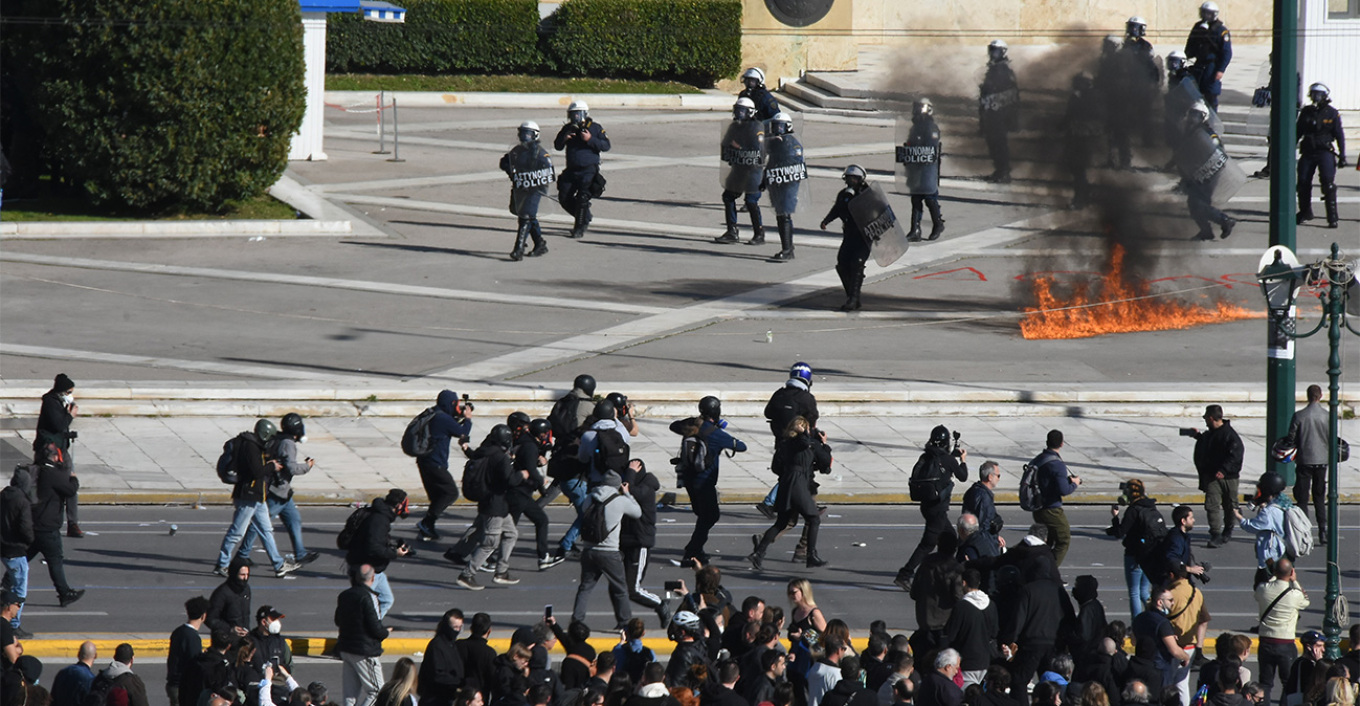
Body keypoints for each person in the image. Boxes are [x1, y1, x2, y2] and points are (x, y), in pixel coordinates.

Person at [212, 419, 299, 579]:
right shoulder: (251, 447)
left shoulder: (251, 444)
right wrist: (272, 466)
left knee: (266, 530)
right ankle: (222, 564)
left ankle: (279, 565)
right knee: (237, 532)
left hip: (257, 495)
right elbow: (256, 472)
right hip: (249, 495)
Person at [670, 397, 747, 566]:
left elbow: (673, 426)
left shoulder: (691, 425)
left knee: (702, 514)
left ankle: (697, 550)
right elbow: (741, 446)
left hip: (688, 479)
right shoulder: (715, 433)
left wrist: (693, 423)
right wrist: (717, 432)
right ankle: (692, 551)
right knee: (711, 516)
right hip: (705, 481)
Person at [749, 416, 831, 571]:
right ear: (804, 429)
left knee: (782, 522)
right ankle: (810, 555)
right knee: (813, 519)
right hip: (799, 483)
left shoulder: (784, 444)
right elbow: (825, 461)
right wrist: (823, 444)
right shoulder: (808, 443)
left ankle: (759, 552)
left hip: (786, 483)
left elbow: (775, 467)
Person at [237, 412, 319, 565]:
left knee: (294, 520)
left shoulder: (279, 438)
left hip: (283, 491)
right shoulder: (288, 444)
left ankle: (300, 553)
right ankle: (242, 554)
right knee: (260, 525)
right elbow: (291, 468)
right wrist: (307, 466)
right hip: (277, 491)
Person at [893, 424, 967, 591]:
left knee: (949, 537)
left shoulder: (926, 456)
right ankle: (905, 574)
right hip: (938, 510)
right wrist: (962, 460)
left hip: (927, 506)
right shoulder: (949, 460)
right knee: (927, 545)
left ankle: (943, 570)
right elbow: (963, 476)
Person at [573, 472, 643, 630]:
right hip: (609, 551)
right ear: (617, 485)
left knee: (585, 587)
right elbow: (637, 512)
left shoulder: (590, 497)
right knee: (620, 589)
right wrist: (627, 494)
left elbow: (584, 512)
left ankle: (577, 620)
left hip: (589, 550)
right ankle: (624, 622)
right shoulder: (620, 501)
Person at [457, 427, 521, 591]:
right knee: (490, 543)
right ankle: (467, 574)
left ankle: (502, 571)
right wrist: (523, 474)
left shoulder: (483, 452)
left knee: (511, 534)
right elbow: (510, 480)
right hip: (495, 506)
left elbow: (473, 456)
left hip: (490, 503)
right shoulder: (501, 458)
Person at [758, 362, 819, 525]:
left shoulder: (779, 394)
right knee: (793, 473)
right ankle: (770, 502)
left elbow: (768, 412)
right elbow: (813, 420)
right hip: (798, 444)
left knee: (790, 473)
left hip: (780, 440)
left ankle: (808, 504)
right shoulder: (806, 398)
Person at [29, 441, 86, 606]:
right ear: (54, 457)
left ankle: (6, 584)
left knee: (23, 557)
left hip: (35, 522)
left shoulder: (37, 470)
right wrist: (73, 479)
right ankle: (64, 592)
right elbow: (69, 490)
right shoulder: (52, 473)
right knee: (55, 560)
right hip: (48, 525)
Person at [415, 390, 474, 542]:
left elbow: (450, 425)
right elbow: (462, 432)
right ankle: (426, 523)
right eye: (456, 404)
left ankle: (427, 528)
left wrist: (459, 416)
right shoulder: (443, 419)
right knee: (450, 493)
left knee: (437, 496)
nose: (458, 407)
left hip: (424, 461)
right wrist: (467, 419)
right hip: (435, 464)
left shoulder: (436, 414)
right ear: (450, 404)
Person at [1173, 102, 1237, 241]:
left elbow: (1217, 150)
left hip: (1209, 172)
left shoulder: (1207, 133)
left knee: (1198, 204)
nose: (1192, 118)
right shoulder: (1191, 132)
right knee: (1195, 204)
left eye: (1197, 115)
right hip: (1197, 174)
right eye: (1192, 114)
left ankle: (1224, 220)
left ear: (1204, 117)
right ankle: (1207, 231)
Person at [618, 458, 671, 627]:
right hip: (627, 541)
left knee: (633, 589)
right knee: (622, 587)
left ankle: (660, 604)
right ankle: (623, 621)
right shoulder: (635, 486)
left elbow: (634, 493)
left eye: (631, 472)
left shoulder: (647, 487)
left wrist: (631, 473)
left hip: (639, 542)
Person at [1106, 478, 1167, 618]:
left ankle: (1137, 623)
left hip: (1134, 554)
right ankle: (1157, 615)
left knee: (1134, 591)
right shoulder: (1150, 506)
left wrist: (1115, 517)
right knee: (1145, 591)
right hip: (1149, 554)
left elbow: (1120, 532)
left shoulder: (1133, 510)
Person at [346, 489, 413, 616]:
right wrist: (395, 553)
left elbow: (375, 540)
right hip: (366, 570)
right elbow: (373, 548)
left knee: (386, 600)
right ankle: (367, 631)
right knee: (367, 607)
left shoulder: (381, 515)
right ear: (398, 505)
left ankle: (371, 628)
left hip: (376, 569)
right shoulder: (380, 520)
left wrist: (393, 547)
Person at [1185, 405, 1243, 547]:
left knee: (1230, 505)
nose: (1205, 420)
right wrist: (1198, 436)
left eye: (1205, 417)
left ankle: (1228, 529)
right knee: (1212, 505)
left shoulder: (1230, 435)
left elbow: (1236, 455)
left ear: (1211, 418)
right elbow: (1207, 445)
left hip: (1228, 478)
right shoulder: (1210, 434)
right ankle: (1215, 533)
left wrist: (1224, 470)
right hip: (1212, 476)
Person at [1253, 559, 1309, 705]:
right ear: (1291, 572)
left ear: (1275, 572)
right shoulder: (1294, 594)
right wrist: (1295, 581)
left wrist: (1273, 575)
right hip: (1285, 642)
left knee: (1265, 683)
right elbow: (1305, 601)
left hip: (1265, 641)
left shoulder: (1263, 589)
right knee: (1287, 683)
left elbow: (1259, 592)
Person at [33, 373, 81, 538]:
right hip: (50, 451)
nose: (70, 395)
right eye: (68, 392)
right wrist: (70, 415)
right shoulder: (50, 402)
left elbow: (60, 429)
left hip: (61, 449)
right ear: (61, 391)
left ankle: (73, 522)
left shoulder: (59, 403)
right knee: (46, 485)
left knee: (70, 483)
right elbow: (58, 424)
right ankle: (38, 518)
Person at [554, 101, 610, 240]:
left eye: (578, 114)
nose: (575, 118)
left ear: (584, 114)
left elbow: (606, 145)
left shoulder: (595, 128)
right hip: (571, 169)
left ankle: (579, 227)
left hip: (588, 170)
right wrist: (565, 138)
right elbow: (557, 146)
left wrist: (590, 139)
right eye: (573, 115)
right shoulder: (568, 128)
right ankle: (585, 216)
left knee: (582, 198)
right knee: (564, 198)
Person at [337, 564, 391, 706]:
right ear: (373, 578)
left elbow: (338, 620)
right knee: (377, 691)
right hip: (365, 651)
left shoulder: (344, 596)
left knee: (350, 695)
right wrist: (385, 632)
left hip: (346, 649)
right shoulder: (369, 597)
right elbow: (375, 627)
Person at [820, 165, 872, 312]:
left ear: (861, 180)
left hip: (864, 237)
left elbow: (878, 212)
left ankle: (853, 299)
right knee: (842, 264)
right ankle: (853, 297)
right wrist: (827, 220)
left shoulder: (868, 195)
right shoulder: (843, 195)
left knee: (857, 263)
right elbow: (837, 209)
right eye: (849, 178)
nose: (851, 182)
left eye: (854, 179)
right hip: (849, 235)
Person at [716, 97, 767, 246]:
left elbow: (760, 151)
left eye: (742, 111)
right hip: (738, 168)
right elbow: (726, 144)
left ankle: (759, 233)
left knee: (751, 202)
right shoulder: (734, 127)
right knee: (728, 197)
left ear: (750, 112)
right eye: (737, 110)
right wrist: (731, 149)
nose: (739, 113)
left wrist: (740, 149)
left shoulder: (757, 128)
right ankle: (732, 231)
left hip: (753, 170)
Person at [507, 415, 555, 571]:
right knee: (509, 528)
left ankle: (543, 557)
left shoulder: (528, 443)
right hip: (520, 491)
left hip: (522, 492)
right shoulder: (530, 446)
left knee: (538, 521)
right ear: (541, 433)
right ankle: (493, 559)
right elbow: (529, 468)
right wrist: (541, 480)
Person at [1296, 84, 1346, 228]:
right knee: (1303, 182)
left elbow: (1339, 134)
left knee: (1328, 184)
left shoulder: (1331, 113)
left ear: (1325, 96)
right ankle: (1305, 212)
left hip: (1324, 150)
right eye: (1313, 94)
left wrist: (1342, 155)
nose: (1316, 98)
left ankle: (1332, 217)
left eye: (1318, 94)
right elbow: (1297, 131)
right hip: (1308, 151)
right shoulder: (1306, 112)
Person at [501, 121, 553, 260]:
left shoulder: (541, 153)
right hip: (521, 188)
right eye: (522, 133)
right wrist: (512, 172)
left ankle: (518, 249)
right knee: (528, 216)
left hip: (534, 190)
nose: (524, 137)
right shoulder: (517, 150)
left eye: (528, 134)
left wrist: (538, 183)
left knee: (525, 217)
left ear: (535, 135)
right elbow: (504, 162)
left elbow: (549, 172)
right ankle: (540, 243)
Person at [1029, 429, 1080, 567]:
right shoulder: (1057, 464)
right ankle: (1050, 572)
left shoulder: (1039, 459)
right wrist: (1074, 484)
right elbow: (1064, 490)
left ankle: (1040, 567)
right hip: (1051, 509)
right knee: (1063, 539)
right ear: (1062, 444)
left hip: (1037, 506)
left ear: (1047, 442)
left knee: (1047, 542)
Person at [1286, 385, 1330, 541]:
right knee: (1319, 497)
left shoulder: (1299, 416)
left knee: (1302, 498)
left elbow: (1291, 438)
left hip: (1304, 460)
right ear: (1321, 396)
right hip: (1322, 461)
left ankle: (1305, 529)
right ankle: (1323, 530)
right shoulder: (1327, 416)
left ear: (1307, 396)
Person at [1234, 473, 1290, 588]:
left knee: (1264, 590)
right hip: (1283, 554)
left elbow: (1251, 526)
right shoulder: (1283, 504)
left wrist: (1238, 516)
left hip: (1271, 558)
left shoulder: (1269, 512)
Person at [1130, 589, 1189, 699]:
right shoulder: (1162, 623)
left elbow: (1133, 641)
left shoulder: (1140, 618)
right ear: (1159, 602)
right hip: (1160, 669)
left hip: (1140, 664)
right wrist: (1186, 657)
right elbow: (1174, 650)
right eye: (1170, 600)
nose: (1172, 602)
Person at [945, 569, 998, 687]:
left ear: (963, 583)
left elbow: (951, 634)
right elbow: (994, 632)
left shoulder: (961, 607)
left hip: (966, 662)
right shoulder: (991, 604)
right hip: (985, 661)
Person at [902, 97, 945, 242]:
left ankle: (938, 224)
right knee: (916, 198)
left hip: (927, 168)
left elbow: (931, 147)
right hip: (915, 167)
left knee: (929, 197)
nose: (916, 111)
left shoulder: (931, 127)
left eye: (920, 108)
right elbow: (911, 143)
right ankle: (915, 229)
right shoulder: (915, 128)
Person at [763, 112, 804, 261]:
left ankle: (787, 250)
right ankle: (788, 247)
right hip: (776, 183)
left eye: (780, 127)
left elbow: (796, 165)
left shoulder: (793, 144)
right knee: (780, 215)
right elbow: (770, 162)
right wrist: (764, 180)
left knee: (785, 214)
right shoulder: (774, 143)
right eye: (775, 127)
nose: (776, 130)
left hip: (789, 184)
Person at [1060, 72, 1103, 211]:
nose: (1075, 85)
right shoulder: (1077, 96)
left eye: (1079, 82)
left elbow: (1095, 115)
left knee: (1079, 168)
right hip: (1075, 135)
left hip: (1085, 137)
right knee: (1075, 168)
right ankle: (1085, 194)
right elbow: (1069, 115)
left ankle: (1080, 199)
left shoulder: (1093, 97)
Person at [979, 40, 1019, 183]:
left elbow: (1012, 94)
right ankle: (999, 170)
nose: (992, 53)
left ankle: (1004, 172)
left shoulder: (1004, 70)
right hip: (991, 113)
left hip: (1000, 114)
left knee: (999, 144)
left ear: (1002, 52)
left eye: (995, 50)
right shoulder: (993, 68)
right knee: (993, 143)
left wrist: (995, 103)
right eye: (991, 50)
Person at [1, 465, 34, 638]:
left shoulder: (3, 496)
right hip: (16, 549)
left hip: (3, 548)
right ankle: (14, 624)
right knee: (20, 589)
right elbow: (25, 527)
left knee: (11, 583)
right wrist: (29, 540)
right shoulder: (22, 501)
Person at [1183, 1, 1232, 111]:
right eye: (1204, 13)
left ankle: (1212, 122)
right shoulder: (1198, 27)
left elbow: (1226, 52)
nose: (1205, 16)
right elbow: (1190, 44)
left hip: (1212, 66)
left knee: (1210, 94)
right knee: (1194, 93)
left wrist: (1221, 69)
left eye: (1208, 14)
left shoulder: (1221, 30)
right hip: (1198, 64)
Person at [419, 609, 466, 706]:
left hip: (447, 697)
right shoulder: (437, 646)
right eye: (455, 627)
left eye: (460, 627)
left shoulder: (452, 644)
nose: (457, 631)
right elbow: (438, 675)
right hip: (435, 699)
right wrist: (458, 681)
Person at [168, 597, 209, 706]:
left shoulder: (178, 631)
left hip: (173, 683)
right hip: (183, 686)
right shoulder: (193, 637)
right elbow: (195, 664)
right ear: (203, 616)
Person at [961, 462, 1004, 557]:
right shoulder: (983, 497)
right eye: (998, 476)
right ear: (990, 477)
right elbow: (982, 525)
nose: (999, 479)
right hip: (982, 545)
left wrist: (996, 536)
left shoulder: (974, 490)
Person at [207, 557, 253, 638]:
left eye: (247, 574)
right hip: (226, 640)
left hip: (244, 638)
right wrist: (230, 629)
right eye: (242, 575)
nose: (245, 578)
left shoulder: (246, 589)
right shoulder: (221, 593)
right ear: (234, 573)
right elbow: (210, 619)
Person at [458, 613, 497, 703]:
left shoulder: (459, 645)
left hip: (460, 697)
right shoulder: (489, 653)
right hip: (480, 698)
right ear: (489, 631)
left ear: (471, 629)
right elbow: (493, 680)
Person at [1282, 631, 1326, 706]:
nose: (1323, 650)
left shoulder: (1308, 662)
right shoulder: (1304, 664)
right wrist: (1320, 664)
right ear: (1308, 647)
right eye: (1319, 646)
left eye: (1323, 646)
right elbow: (1316, 684)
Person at [50, 641, 97, 706]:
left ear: (78, 654)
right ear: (95, 656)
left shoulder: (63, 672)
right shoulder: (91, 679)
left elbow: (52, 698)